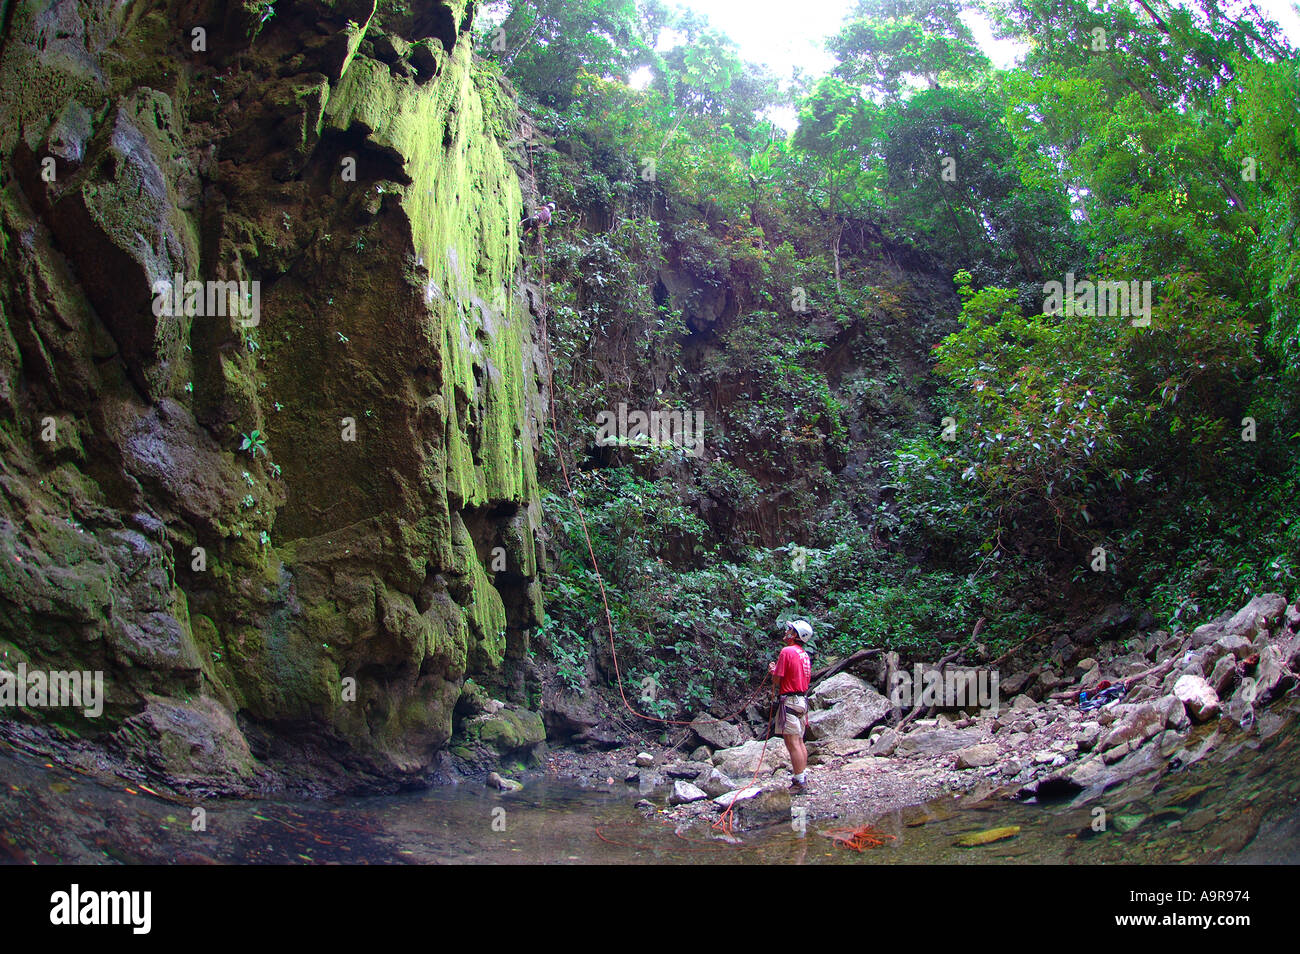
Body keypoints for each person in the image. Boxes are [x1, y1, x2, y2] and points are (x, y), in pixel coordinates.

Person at [769, 619, 813, 790]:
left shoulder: (787, 651)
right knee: (799, 741)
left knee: (792, 741)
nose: (786, 631)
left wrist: (773, 671)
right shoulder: (804, 654)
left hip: (790, 701)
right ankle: (801, 776)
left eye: (790, 629)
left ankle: (799, 781)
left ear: (795, 635)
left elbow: (777, 680)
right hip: (801, 700)